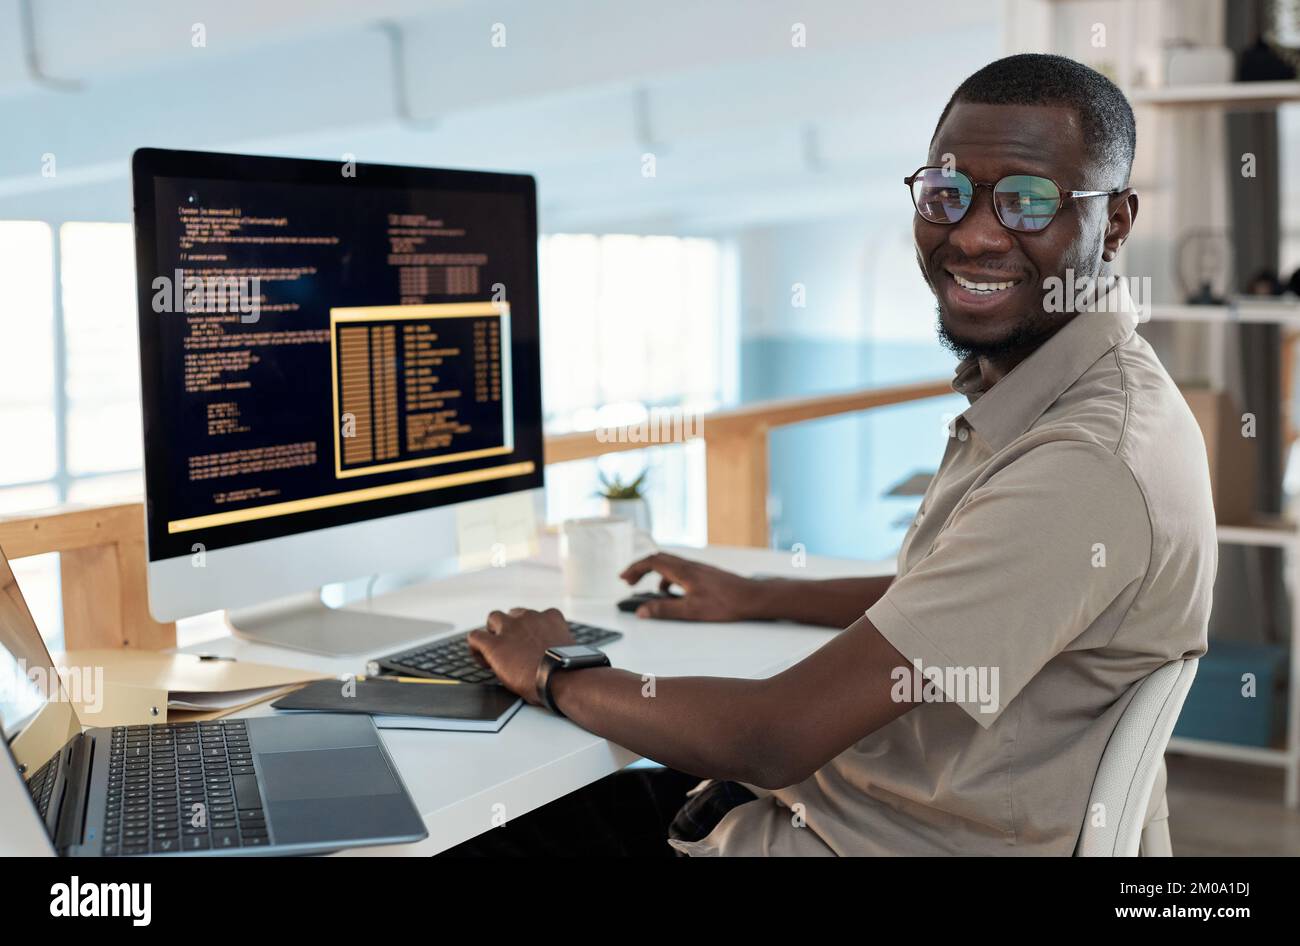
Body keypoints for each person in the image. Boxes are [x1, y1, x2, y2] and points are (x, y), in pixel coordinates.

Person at [446, 53, 1217, 857]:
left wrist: (552, 670)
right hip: (863, 809)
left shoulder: (1086, 461)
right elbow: (956, 595)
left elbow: (772, 736)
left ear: (1116, 222)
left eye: (1029, 201)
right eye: (949, 194)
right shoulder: (1073, 390)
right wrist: (761, 594)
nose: (976, 234)